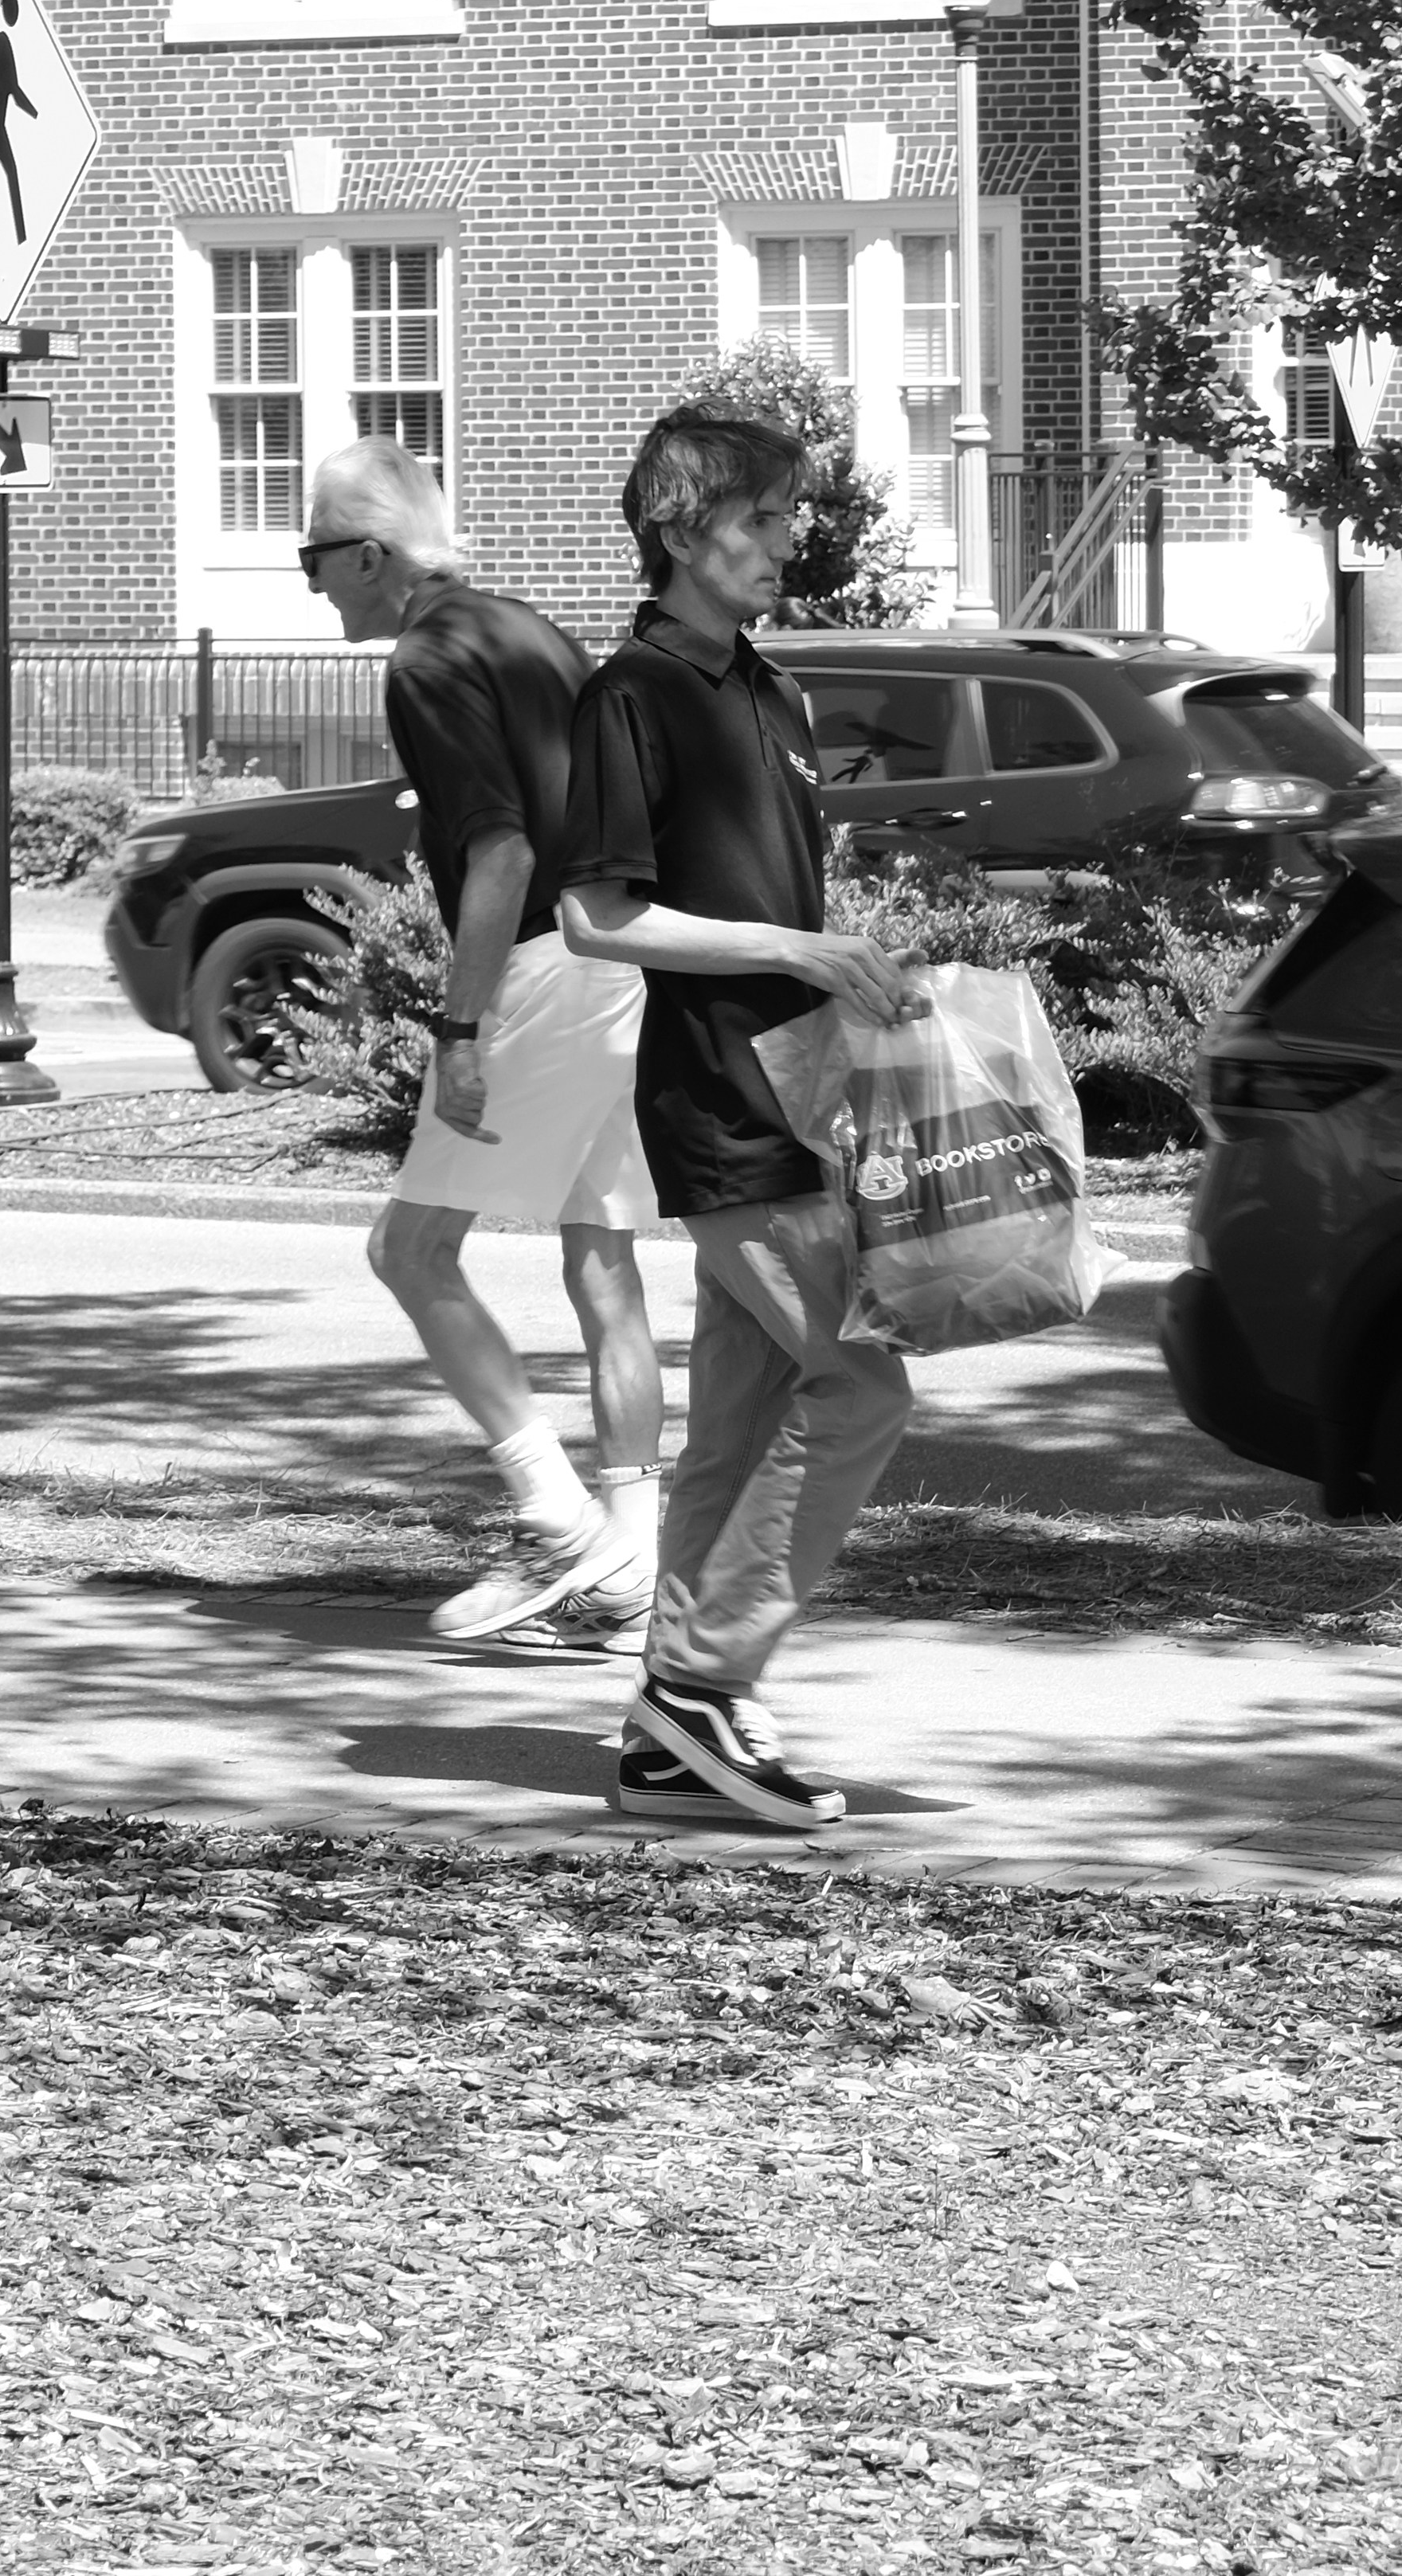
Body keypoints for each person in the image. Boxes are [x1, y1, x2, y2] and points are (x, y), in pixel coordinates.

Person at [557, 408, 926, 1833]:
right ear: (682, 527)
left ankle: (665, 1734)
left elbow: (780, 907)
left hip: (807, 1099)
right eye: (764, 521)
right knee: (865, 1387)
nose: (791, 541)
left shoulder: (772, 694)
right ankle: (706, 1682)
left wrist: (849, 980)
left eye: (790, 519)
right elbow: (597, 919)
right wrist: (800, 955)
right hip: (722, 1110)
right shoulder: (631, 695)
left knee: (746, 1421)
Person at [296, 441, 664, 1652]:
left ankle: (556, 1525)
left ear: (372, 556)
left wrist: (459, 1027)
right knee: (604, 1265)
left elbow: (500, 852)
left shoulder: (428, 658)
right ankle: (633, 1573)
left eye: (316, 559)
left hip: (547, 971)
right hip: (623, 964)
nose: (311, 586)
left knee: (409, 1249)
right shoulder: (529, 631)